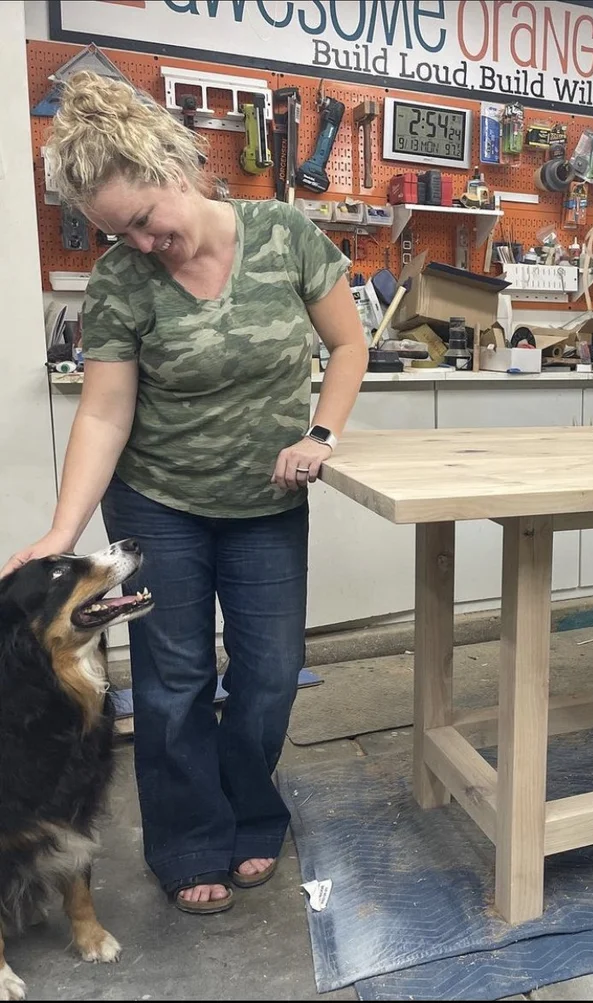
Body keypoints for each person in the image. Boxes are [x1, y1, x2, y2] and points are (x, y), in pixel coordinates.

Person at [1, 71, 368, 914]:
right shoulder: (121, 280)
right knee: (173, 682)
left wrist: (320, 435)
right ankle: (190, 838)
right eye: (118, 232)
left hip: (266, 506)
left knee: (271, 673)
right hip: (158, 503)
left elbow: (348, 347)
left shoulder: (285, 235)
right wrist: (62, 531)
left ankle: (251, 811)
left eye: (143, 220)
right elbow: (104, 411)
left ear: (175, 169)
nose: (140, 243)